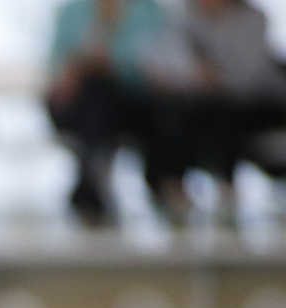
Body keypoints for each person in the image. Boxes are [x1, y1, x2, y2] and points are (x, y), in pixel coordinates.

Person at [46, 0, 194, 225]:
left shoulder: (149, 11)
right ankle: (97, 170)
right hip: (83, 104)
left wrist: (108, 63)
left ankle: (99, 173)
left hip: (133, 102)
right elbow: (55, 67)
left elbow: (155, 64)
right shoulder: (73, 11)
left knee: (112, 95)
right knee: (94, 91)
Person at [182, 0, 286, 219]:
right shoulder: (185, 21)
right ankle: (219, 190)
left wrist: (216, 78)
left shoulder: (255, 19)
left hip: (261, 104)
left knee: (224, 112)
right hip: (208, 107)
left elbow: (250, 76)